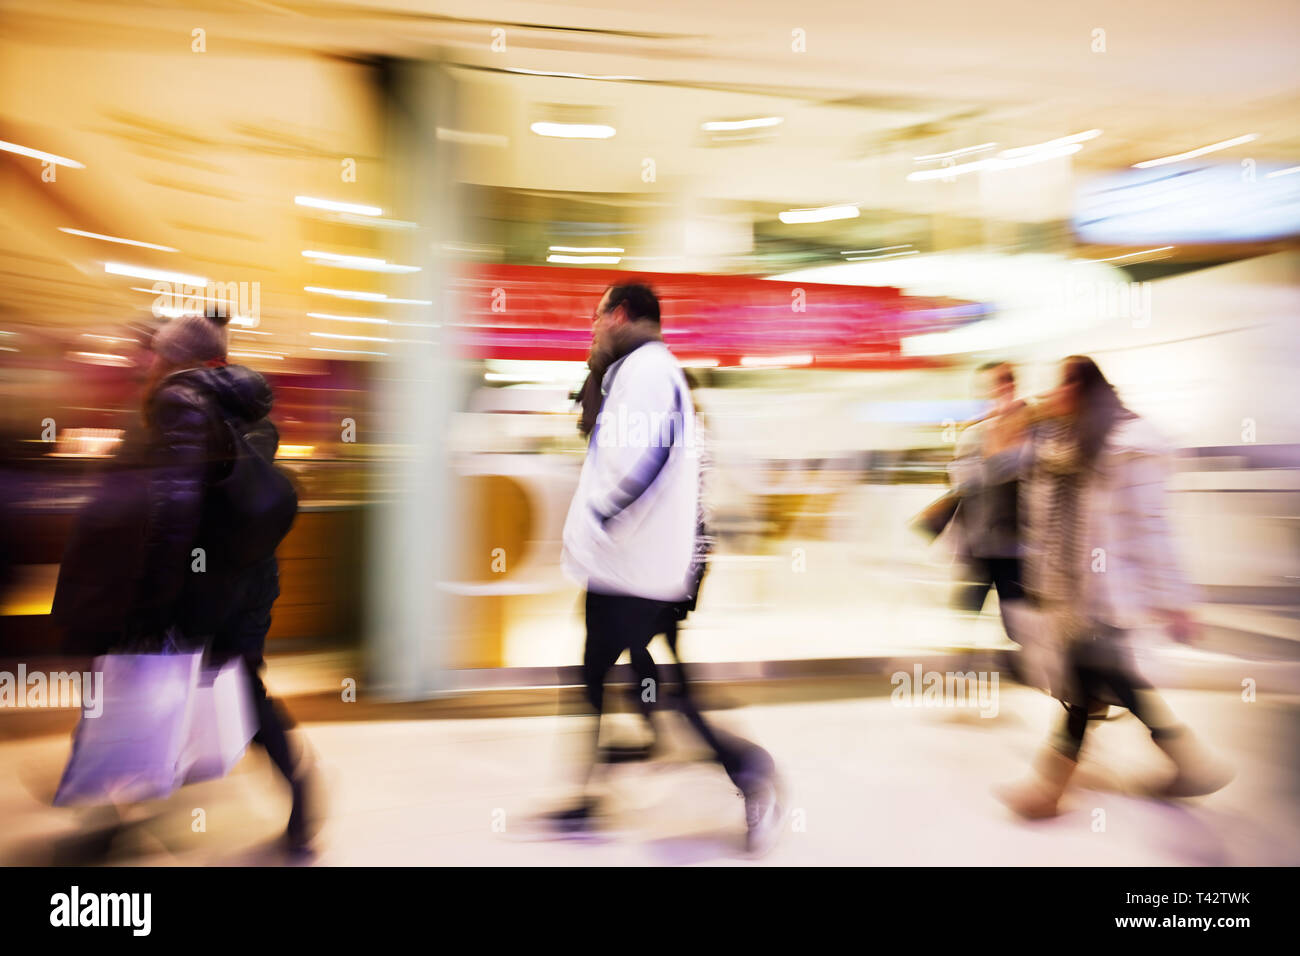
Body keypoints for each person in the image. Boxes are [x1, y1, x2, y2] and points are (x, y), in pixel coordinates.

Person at [556, 282, 783, 854]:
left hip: (638, 567)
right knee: (617, 677)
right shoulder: (636, 372)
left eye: (597, 316)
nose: (592, 327)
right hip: (636, 565)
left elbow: (645, 460)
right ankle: (592, 794)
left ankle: (748, 768)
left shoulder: (652, 374)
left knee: (638, 683)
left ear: (621, 314)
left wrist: (604, 516)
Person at [995, 356, 1233, 819]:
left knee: (1085, 690)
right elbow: (1039, 515)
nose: (1054, 392)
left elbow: (1152, 529)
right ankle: (1190, 762)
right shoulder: (1064, 446)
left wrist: (1175, 602)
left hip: (1108, 595)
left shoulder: (1129, 447)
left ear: (1085, 388)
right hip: (1073, 598)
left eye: (1063, 383)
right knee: (1117, 683)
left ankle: (1049, 789)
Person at [134, 313, 316, 853]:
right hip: (254, 577)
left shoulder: (181, 404)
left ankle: (116, 808)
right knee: (236, 686)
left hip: (205, 579)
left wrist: (153, 595)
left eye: (157, 356)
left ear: (172, 358)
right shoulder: (249, 407)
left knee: (164, 682)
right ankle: (302, 796)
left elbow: (176, 509)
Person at [948, 361, 1027, 648]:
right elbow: (963, 484)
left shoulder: (1031, 430)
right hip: (979, 546)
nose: (999, 390)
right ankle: (956, 676)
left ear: (1013, 385)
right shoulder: (973, 435)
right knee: (962, 619)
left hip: (1017, 549)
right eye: (992, 385)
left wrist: (1006, 437)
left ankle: (1051, 680)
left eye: (1005, 381)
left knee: (1020, 627)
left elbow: (1029, 474)